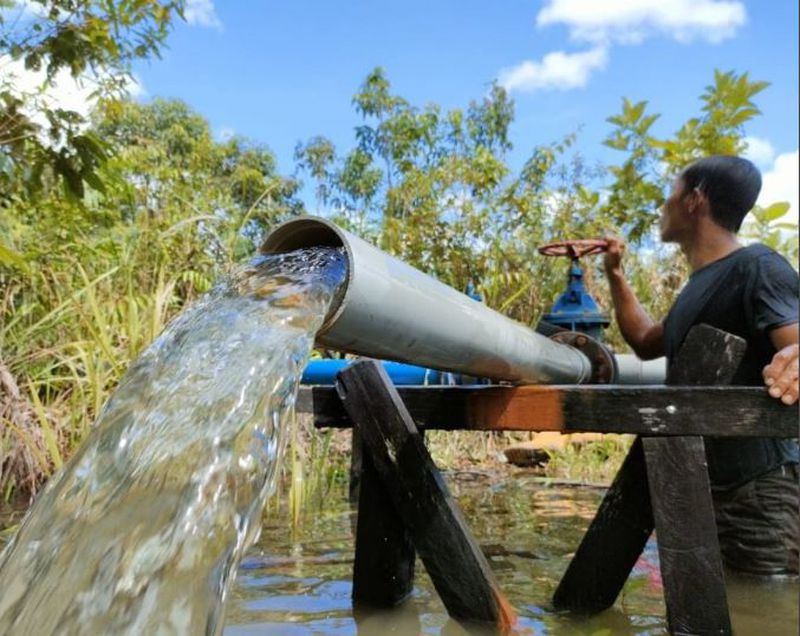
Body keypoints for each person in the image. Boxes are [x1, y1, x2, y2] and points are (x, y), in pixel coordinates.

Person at [602, 155, 799, 577]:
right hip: (701, 487)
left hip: (758, 490)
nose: (663, 206)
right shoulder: (698, 286)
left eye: (670, 194)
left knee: (767, 612)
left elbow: (795, 347)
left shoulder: (757, 266)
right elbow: (645, 340)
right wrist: (616, 275)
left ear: (695, 199)